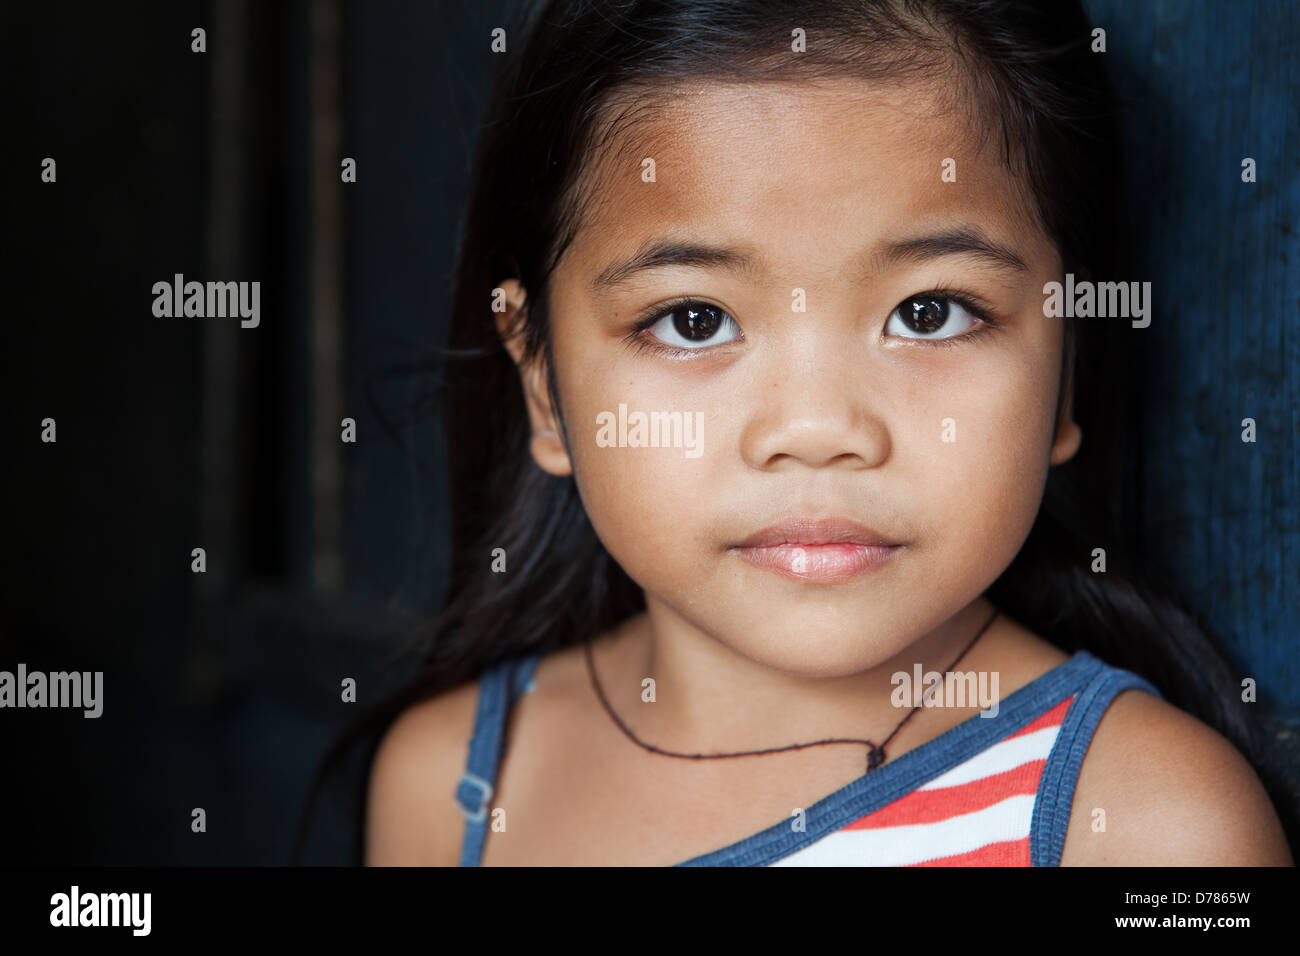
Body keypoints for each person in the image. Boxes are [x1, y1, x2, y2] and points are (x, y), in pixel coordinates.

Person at [303, 0, 1294, 866]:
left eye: (931, 310)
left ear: (1067, 365)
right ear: (546, 385)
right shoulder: (454, 784)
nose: (818, 430)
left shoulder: (1136, 824)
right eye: (692, 319)